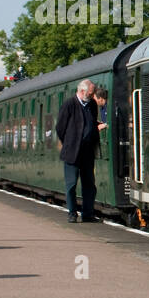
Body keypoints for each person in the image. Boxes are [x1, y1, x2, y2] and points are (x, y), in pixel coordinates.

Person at [56, 79, 101, 222]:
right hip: (72, 152)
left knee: (89, 184)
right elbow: (60, 128)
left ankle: (88, 214)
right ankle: (72, 213)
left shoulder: (92, 105)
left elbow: (92, 123)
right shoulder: (69, 104)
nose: (93, 95)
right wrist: (69, 142)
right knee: (71, 184)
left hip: (88, 151)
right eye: (90, 93)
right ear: (82, 92)